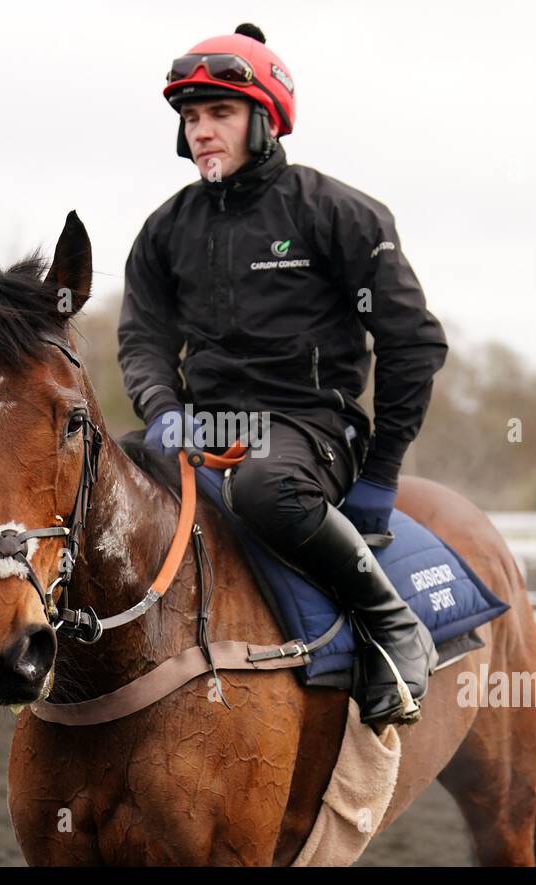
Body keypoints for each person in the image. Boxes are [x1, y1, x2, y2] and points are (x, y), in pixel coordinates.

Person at [117, 23, 449, 727]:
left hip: (309, 426)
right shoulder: (164, 230)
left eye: (220, 114)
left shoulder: (339, 214)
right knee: (98, 471)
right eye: (192, 117)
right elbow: (143, 338)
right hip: (199, 426)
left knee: (265, 489)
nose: (202, 131)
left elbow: (413, 342)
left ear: (265, 120)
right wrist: (160, 405)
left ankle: (392, 627)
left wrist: (383, 473)